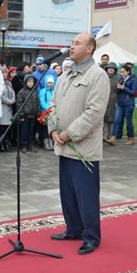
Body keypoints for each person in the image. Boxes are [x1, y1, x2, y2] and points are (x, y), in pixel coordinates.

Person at [48, 33, 110, 255]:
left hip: (83, 147)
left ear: (90, 49)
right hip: (63, 144)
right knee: (68, 192)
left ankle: (91, 236)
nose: (71, 47)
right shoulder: (66, 74)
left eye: (77, 44)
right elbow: (53, 104)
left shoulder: (97, 75)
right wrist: (53, 129)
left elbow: (94, 113)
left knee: (86, 194)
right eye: (71, 43)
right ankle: (73, 229)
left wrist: (68, 134)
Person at [106, 63, 137, 146]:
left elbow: (133, 92)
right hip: (120, 103)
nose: (122, 74)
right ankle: (113, 138)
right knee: (117, 120)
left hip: (129, 104)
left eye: (123, 72)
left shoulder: (133, 80)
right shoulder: (121, 80)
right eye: (121, 72)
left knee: (128, 121)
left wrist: (124, 88)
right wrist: (119, 88)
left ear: (128, 72)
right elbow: (118, 92)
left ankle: (131, 138)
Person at [17, 75, 40, 153]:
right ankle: (24, 145)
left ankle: (31, 144)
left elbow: (38, 103)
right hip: (25, 115)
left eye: (32, 82)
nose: (31, 83)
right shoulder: (22, 92)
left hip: (33, 115)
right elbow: (19, 104)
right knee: (24, 131)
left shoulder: (35, 92)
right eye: (29, 82)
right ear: (25, 82)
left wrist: (38, 113)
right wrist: (21, 114)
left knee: (31, 131)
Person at [0, 67, 16, 152]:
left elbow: (13, 93)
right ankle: (0, 143)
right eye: (3, 73)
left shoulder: (9, 83)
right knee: (1, 127)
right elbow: (0, 95)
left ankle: (6, 142)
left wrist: (13, 100)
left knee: (8, 127)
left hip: (9, 108)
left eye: (5, 73)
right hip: (2, 107)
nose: (4, 75)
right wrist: (9, 101)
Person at [103, 62, 119, 142]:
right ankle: (104, 136)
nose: (111, 70)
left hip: (114, 100)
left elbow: (119, 90)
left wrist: (117, 101)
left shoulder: (118, 78)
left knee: (112, 119)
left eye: (112, 69)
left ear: (115, 70)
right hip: (104, 99)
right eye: (109, 68)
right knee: (104, 118)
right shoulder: (103, 77)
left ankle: (111, 136)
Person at [38, 76, 55, 150]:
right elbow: (42, 102)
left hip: (52, 112)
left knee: (51, 127)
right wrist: (48, 108)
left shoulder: (54, 91)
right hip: (45, 112)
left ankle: (50, 141)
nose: (50, 84)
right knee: (45, 128)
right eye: (49, 82)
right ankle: (45, 142)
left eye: (51, 83)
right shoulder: (43, 91)